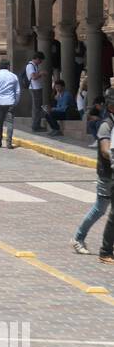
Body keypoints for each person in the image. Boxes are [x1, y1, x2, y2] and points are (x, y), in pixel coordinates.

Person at [73, 89, 114, 254]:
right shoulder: (106, 124)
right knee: (100, 209)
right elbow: (105, 149)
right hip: (107, 174)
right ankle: (78, 238)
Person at [25, 51, 46, 130]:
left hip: (37, 88)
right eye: (40, 60)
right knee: (37, 108)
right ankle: (36, 126)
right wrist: (41, 73)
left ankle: (37, 125)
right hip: (35, 89)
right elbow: (33, 77)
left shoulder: (34, 66)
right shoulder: (30, 66)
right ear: (37, 58)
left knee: (37, 107)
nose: (41, 62)